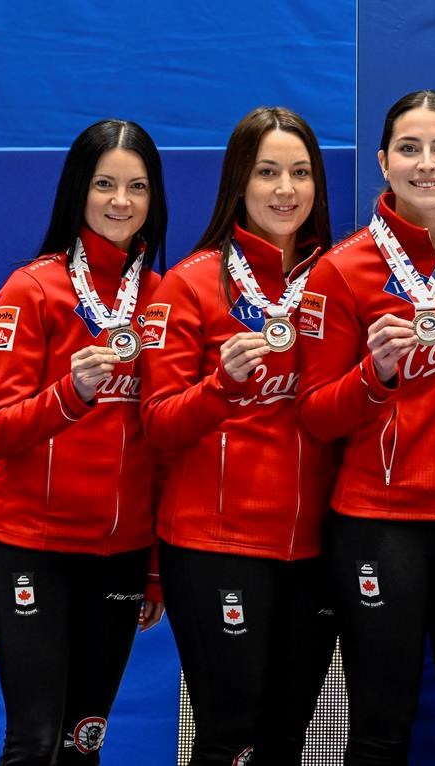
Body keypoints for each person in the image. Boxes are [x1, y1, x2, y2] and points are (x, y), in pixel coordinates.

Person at [296, 90, 435, 766]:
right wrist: (377, 375)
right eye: (410, 149)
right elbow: (315, 413)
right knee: (379, 729)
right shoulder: (341, 269)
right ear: (383, 163)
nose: (427, 165)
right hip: (380, 523)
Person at [140, 107, 337, 765]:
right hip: (215, 544)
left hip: (315, 553)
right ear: (239, 183)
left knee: (287, 741)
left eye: (301, 173)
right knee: (229, 743)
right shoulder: (191, 283)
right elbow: (159, 422)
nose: (286, 189)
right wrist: (222, 385)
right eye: (268, 172)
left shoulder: (338, 281)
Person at [0, 119, 167, 764]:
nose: (121, 201)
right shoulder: (30, 290)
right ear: (77, 191)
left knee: (84, 742)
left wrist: (151, 566)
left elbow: (160, 444)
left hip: (119, 557)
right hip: (32, 549)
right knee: (34, 743)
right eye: (105, 185)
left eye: (137, 187)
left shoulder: (160, 299)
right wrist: (72, 394)